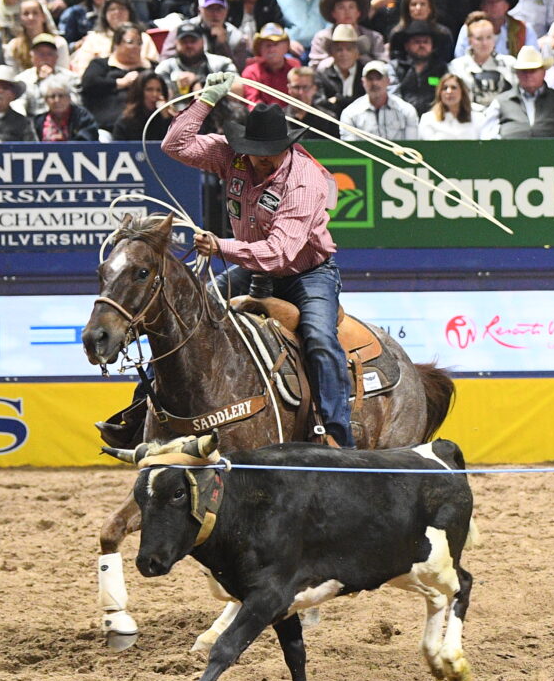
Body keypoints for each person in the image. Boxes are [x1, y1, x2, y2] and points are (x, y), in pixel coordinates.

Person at [163, 71, 353, 447]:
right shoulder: (233, 155)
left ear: (286, 148)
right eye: (255, 152)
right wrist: (207, 98)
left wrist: (221, 247)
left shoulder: (303, 180)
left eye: (269, 155)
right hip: (250, 268)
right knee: (188, 319)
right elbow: (175, 144)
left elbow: (280, 251)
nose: (260, 161)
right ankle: (149, 411)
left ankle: (337, 434)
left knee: (318, 337)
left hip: (307, 274)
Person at [486, 43, 554, 138]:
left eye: (533, 70)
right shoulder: (500, 102)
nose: (528, 75)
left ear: (543, 72)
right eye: (524, 71)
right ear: (517, 73)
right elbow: (487, 140)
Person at [339, 59, 421, 141]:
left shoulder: (406, 111)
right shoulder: (350, 113)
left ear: (388, 81)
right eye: (370, 78)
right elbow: (350, 149)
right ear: (363, 82)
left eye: (379, 78)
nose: (374, 83)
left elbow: (412, 146)